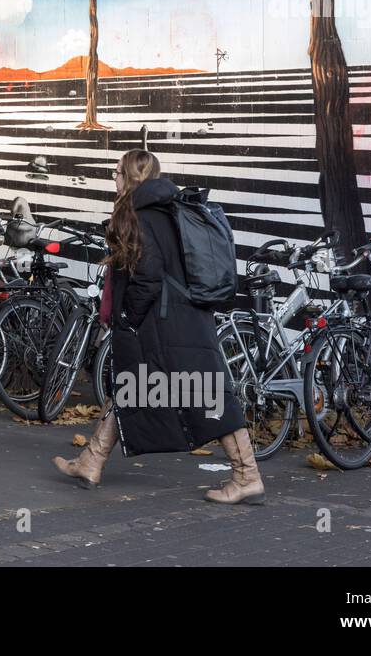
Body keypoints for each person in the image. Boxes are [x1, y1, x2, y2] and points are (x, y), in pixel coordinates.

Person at [53, 149, 264, 505]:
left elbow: (148, 276)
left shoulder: (139, 215)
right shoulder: (168, 209)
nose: (113, 178)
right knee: (131, 385)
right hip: (183, 319)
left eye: (117, 172)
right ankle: (91, 460)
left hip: (167, 324)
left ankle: (247, 476)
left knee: (208, 395)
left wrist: (127, 317)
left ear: (131, 177)